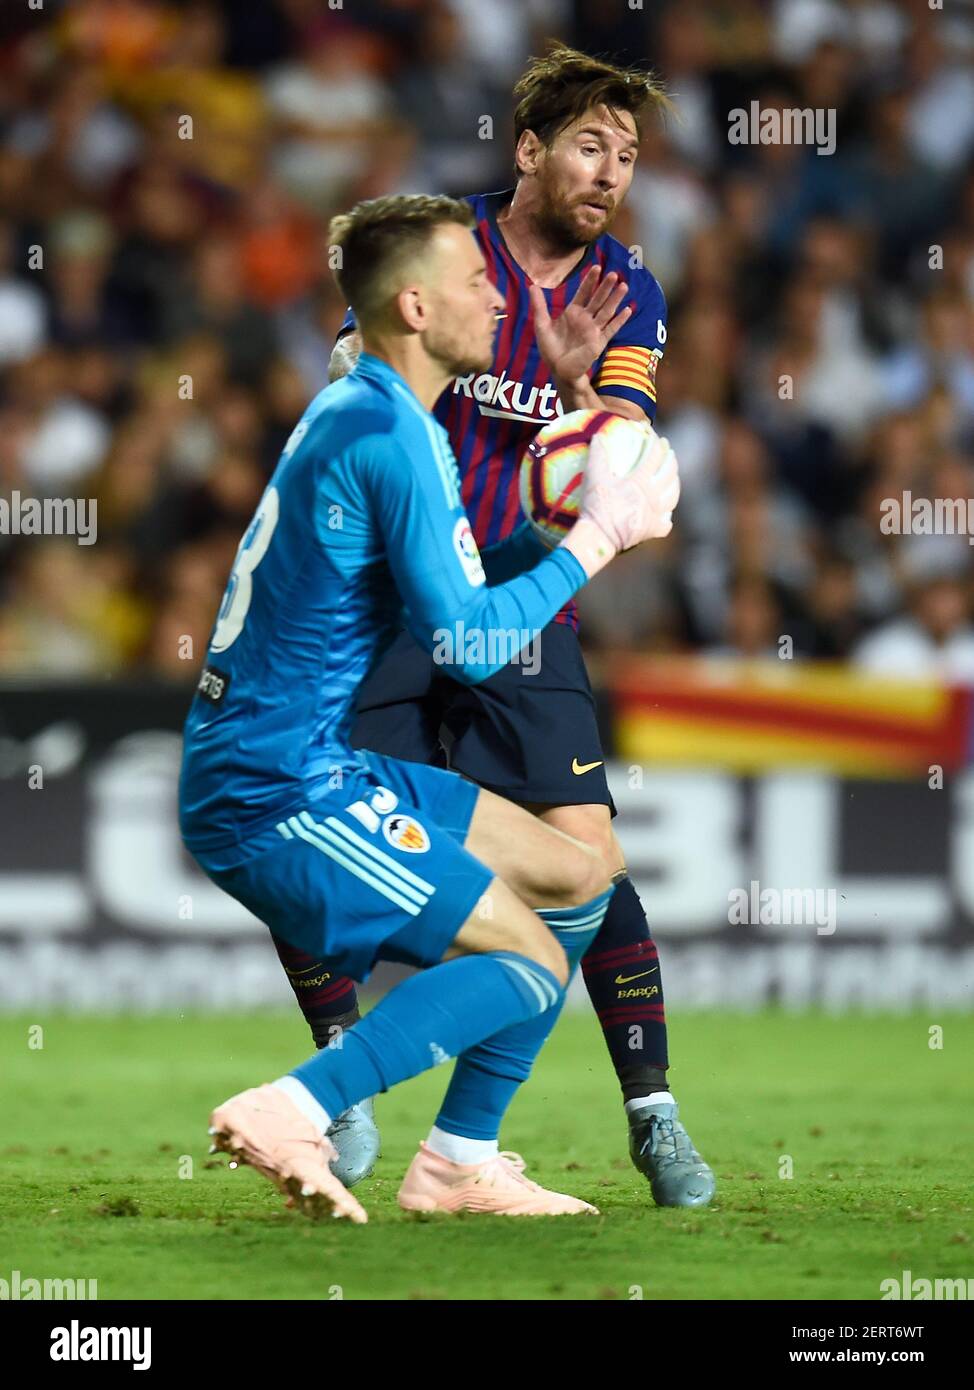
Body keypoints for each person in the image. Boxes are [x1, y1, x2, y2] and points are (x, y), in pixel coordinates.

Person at [179, 192, 681, 1221]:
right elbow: (470, 642)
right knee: (530, 960)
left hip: (316, 759)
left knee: (577, 876)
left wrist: (561, 527)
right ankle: (296, 1103)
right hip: (278, 790)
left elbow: (454, 601)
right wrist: (599, 538)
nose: (495, 298)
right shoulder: (391, 439)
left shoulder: (371, 411)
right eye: (472, 281)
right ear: (414, 305)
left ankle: (457, 1159)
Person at [290, 43, 716, 1207]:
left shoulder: (624, 289)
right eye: (590, 143)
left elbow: (617, 455)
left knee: (589, 862)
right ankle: (343, 1074)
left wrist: (581, 393)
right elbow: (355, 385)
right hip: (390, 595)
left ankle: (650, 1111)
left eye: (627, 155)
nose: (610, 171)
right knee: (314, 834)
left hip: (525, 606)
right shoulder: (432, 247)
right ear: (526, 148)